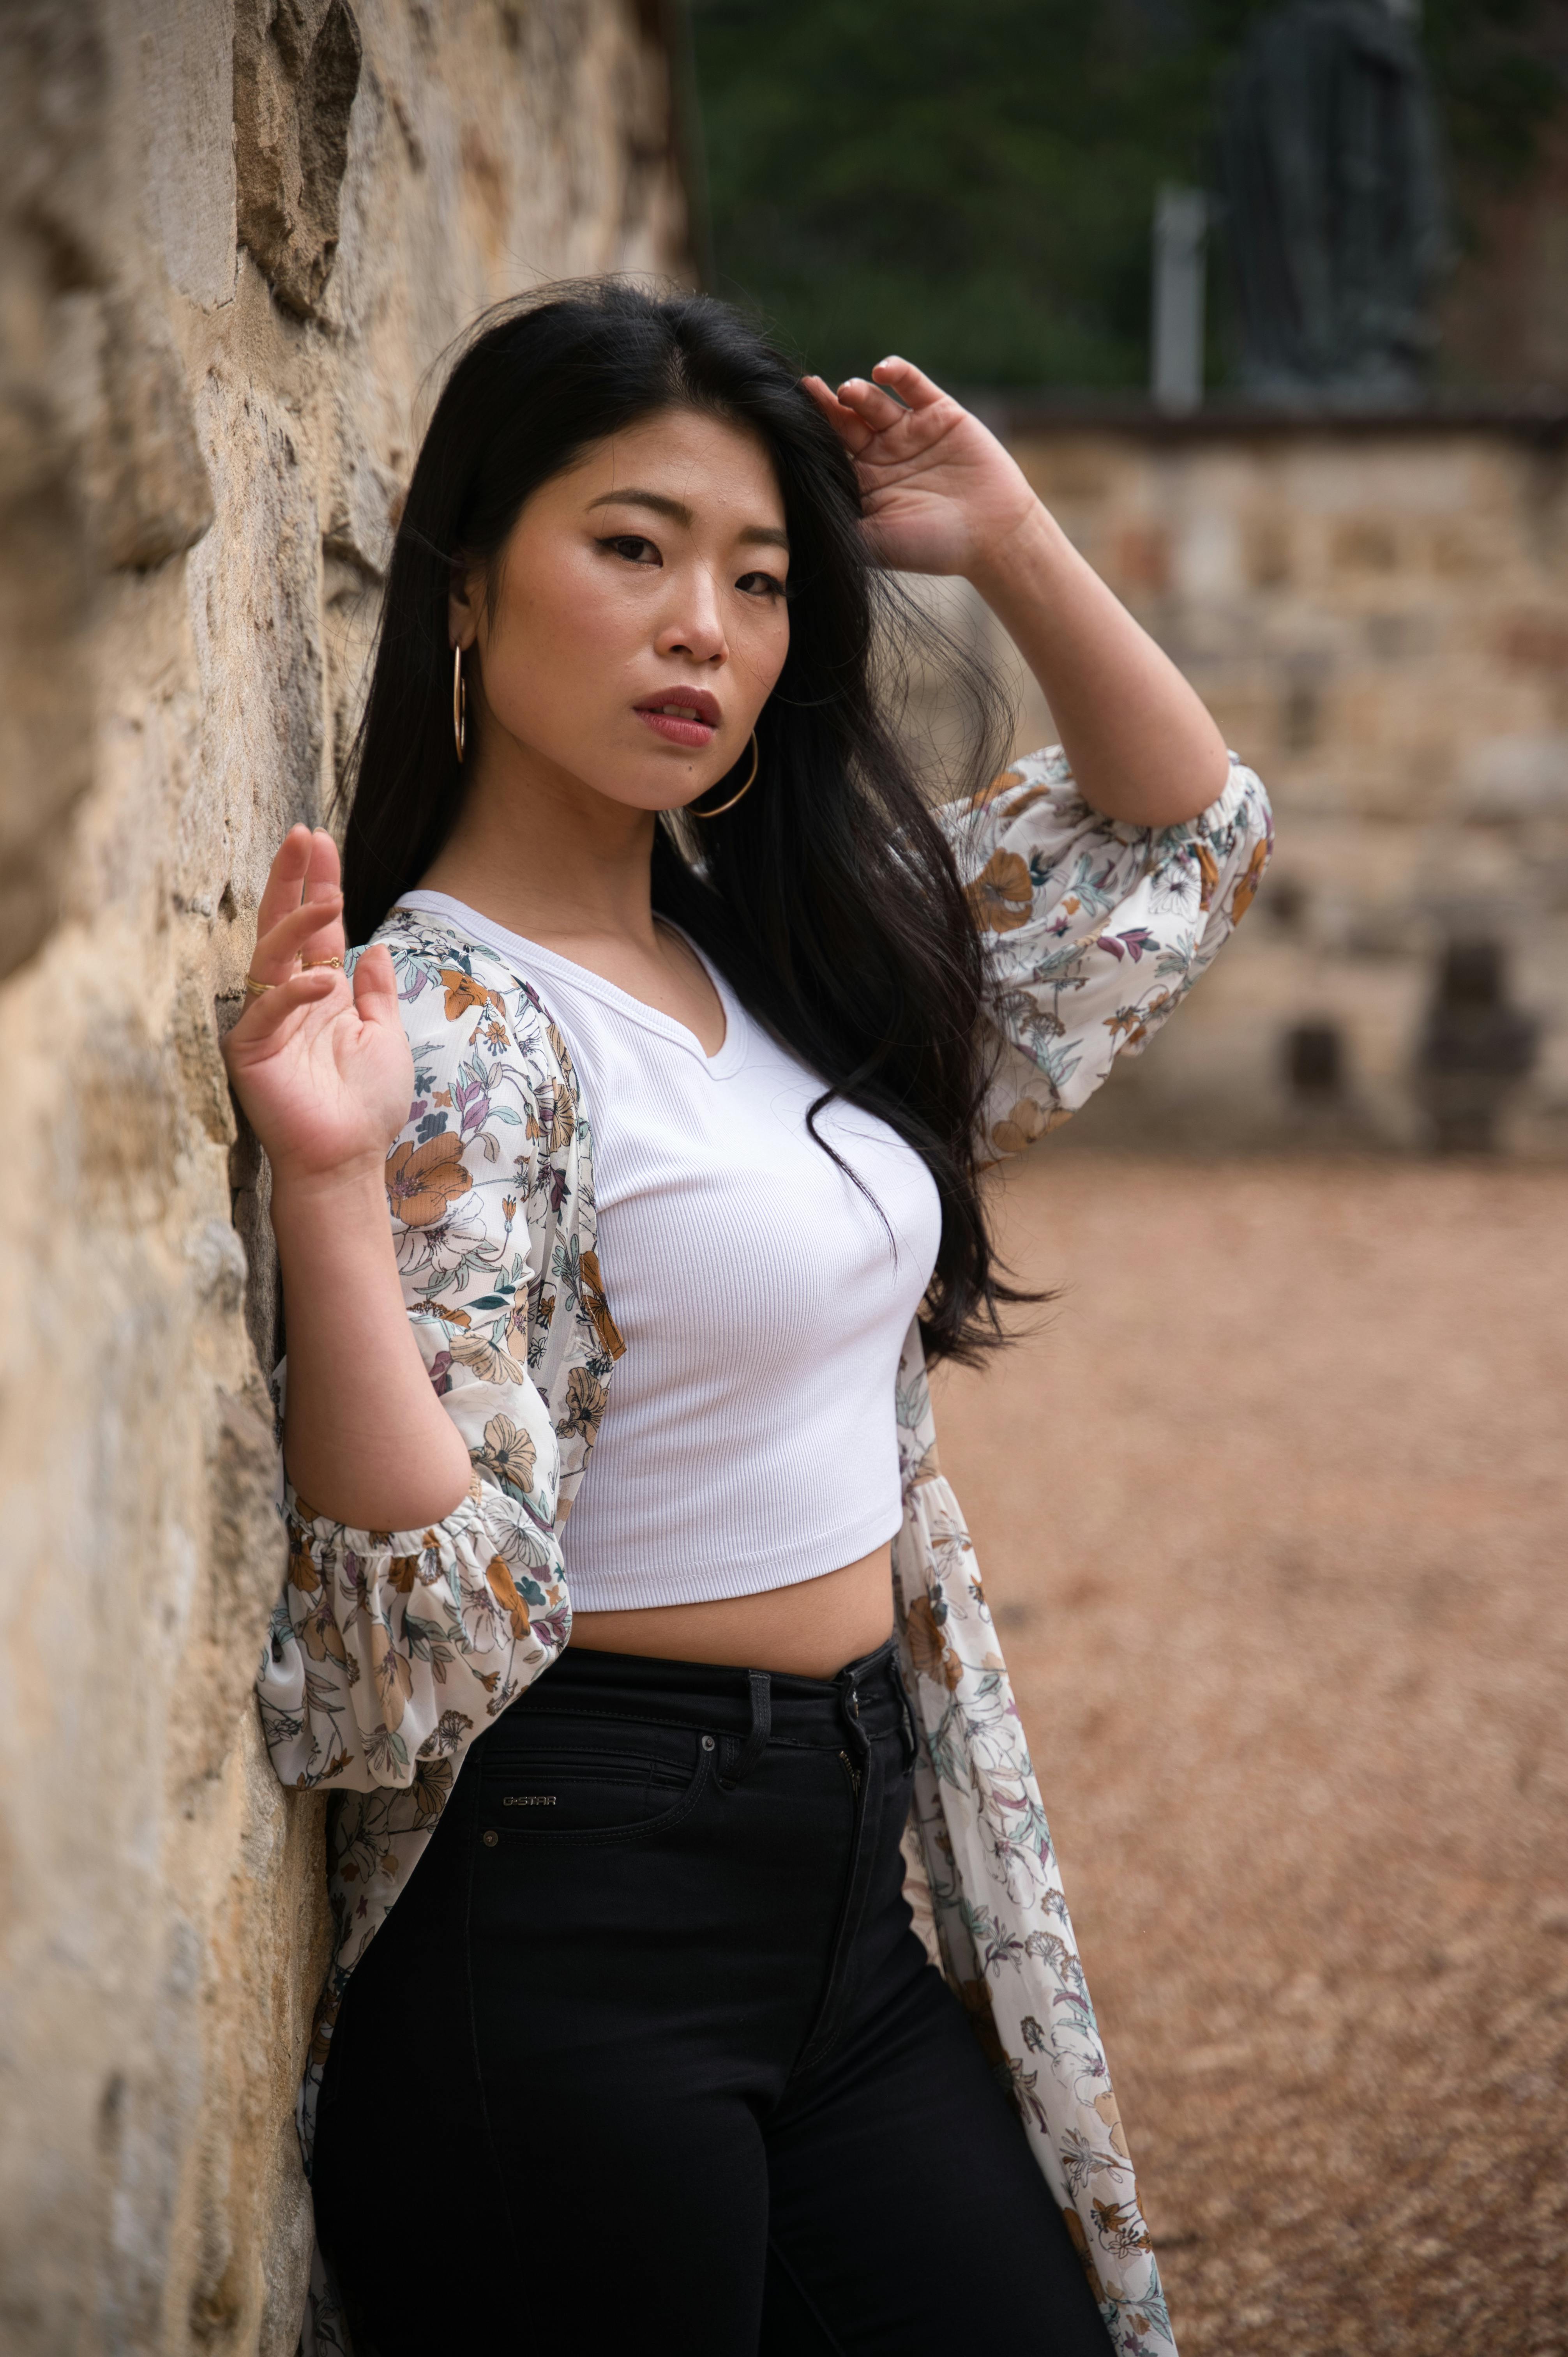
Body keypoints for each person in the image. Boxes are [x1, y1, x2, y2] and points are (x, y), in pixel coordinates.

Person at [226, 282, 1271, 2357]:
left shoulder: (783, 954)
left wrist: (1006, 538)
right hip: (568, 1906)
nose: (704, 622)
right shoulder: (440, 1021)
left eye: (760, 576)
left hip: (841, 1878)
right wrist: (332, 1182)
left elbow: (1172, 841)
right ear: (464, 581)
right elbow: (398, 1660)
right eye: (631, 546)